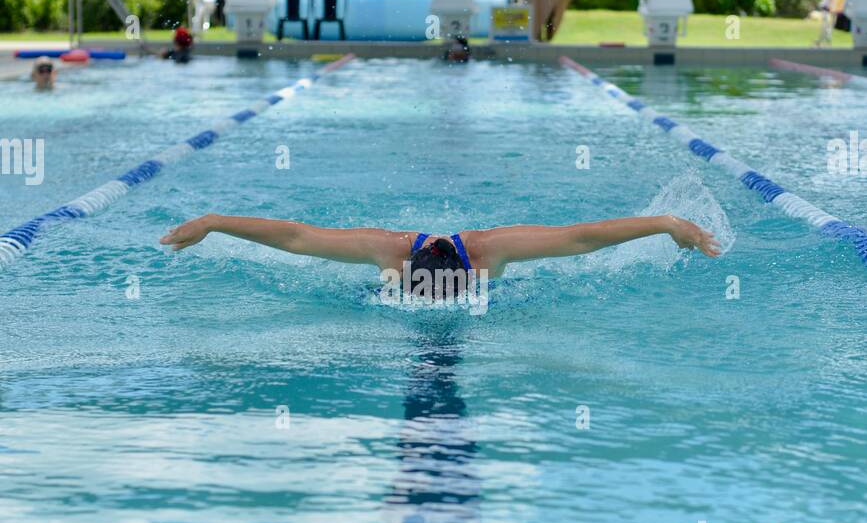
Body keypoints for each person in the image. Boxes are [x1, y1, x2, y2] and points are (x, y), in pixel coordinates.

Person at [160, 212, 720, 293]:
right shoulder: (385, 252)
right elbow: (296, 238)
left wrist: (667, 225)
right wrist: (213, 224)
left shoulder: (492, 252)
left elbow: (581, 238)